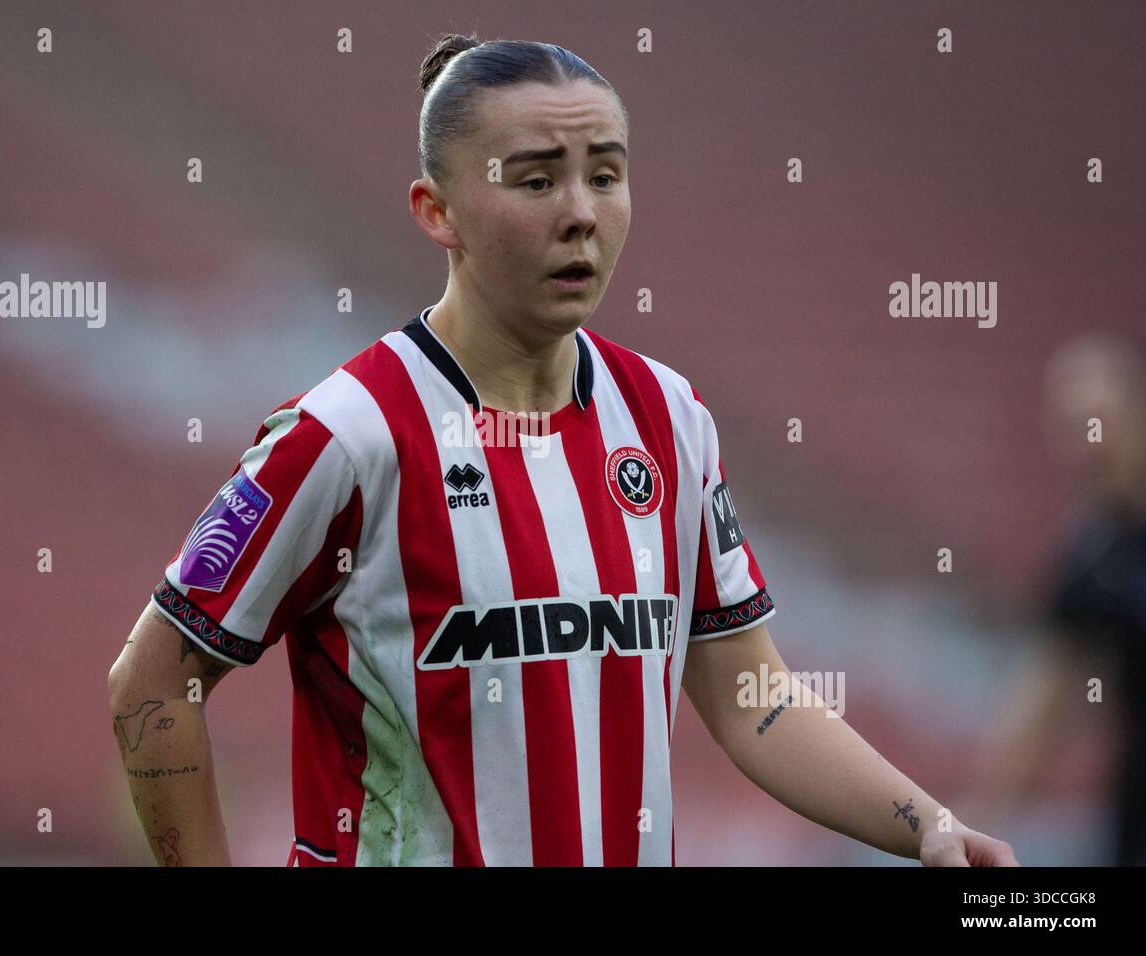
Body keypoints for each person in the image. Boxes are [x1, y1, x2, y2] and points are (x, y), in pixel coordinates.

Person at [107, 34, 1017, 867]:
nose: (582, 213)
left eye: (607, 176)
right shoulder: (347, 435)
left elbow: (756, 701)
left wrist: (928, 825)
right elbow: (153, 681)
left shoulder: (669, 418)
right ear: (438, 211)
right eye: (537, 181)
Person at [970, 334, 1146, 864]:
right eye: (1071, 428)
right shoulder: (1091, 555)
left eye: (1100, 421)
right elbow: (1045, 698)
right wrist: (974, 826)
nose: (1089, 442)